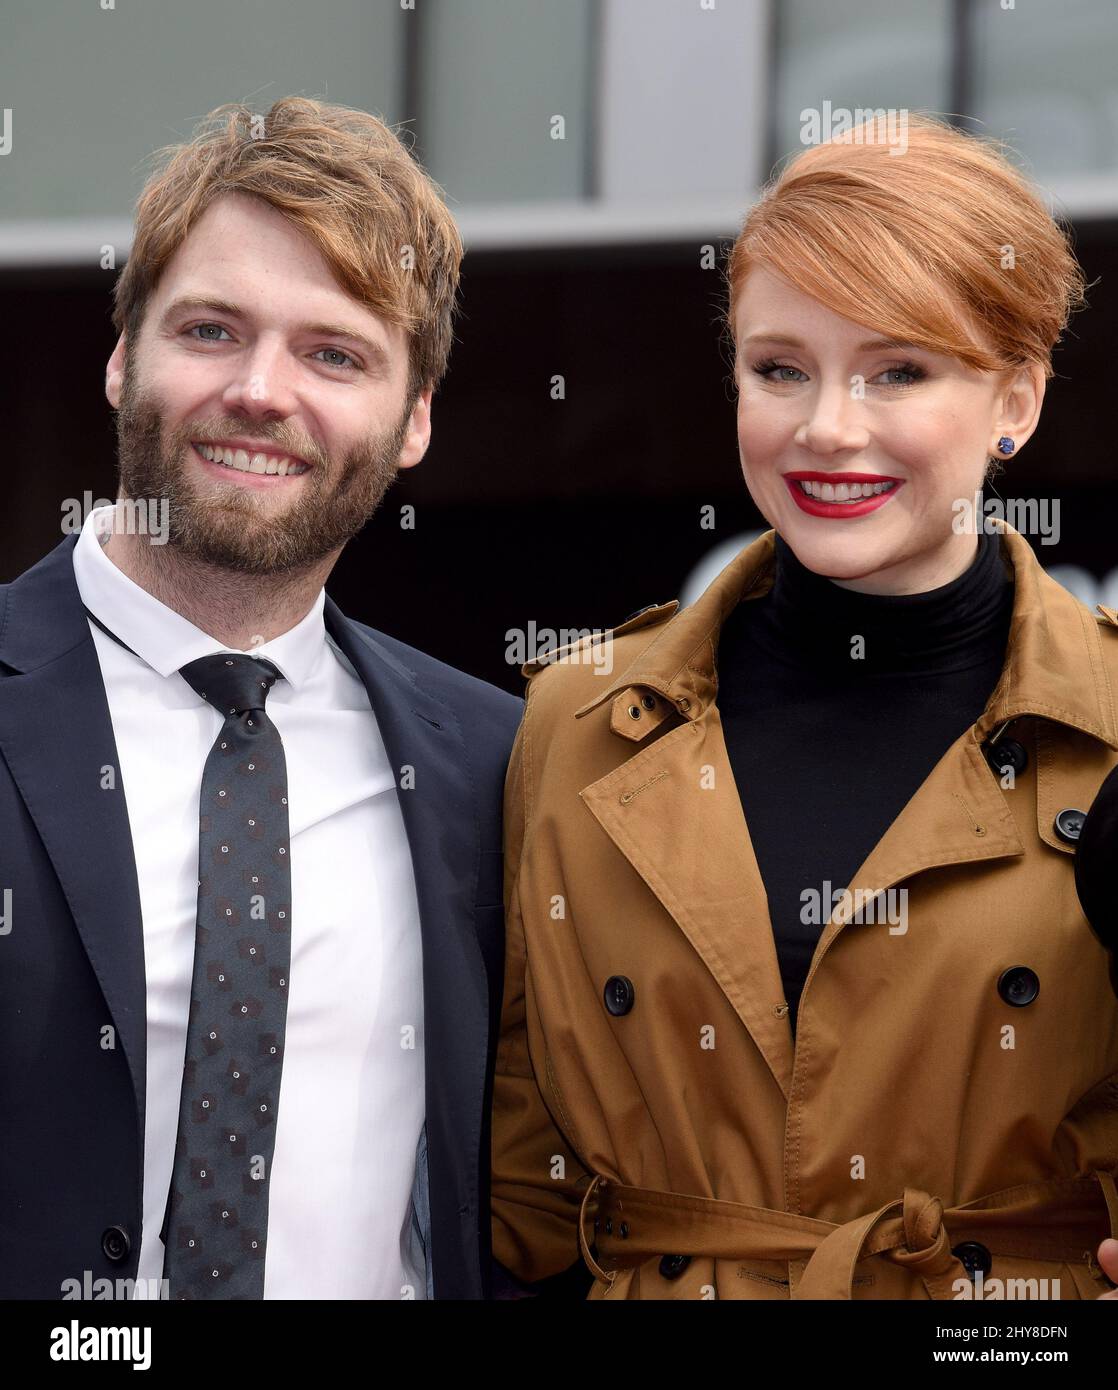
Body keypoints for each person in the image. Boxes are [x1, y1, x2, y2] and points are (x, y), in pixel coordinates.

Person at [490, 113, 1118, 1301]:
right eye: (778, 368)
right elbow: (520, 1185)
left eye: (898, 371)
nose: (826, 427)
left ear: (1015, 403)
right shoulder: (572, 719)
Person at [0, 97, 520, 1301]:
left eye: (334, 354)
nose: (260, 391)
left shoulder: (494, 767)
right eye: (212, 330)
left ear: (414, 422)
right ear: (124, 353)